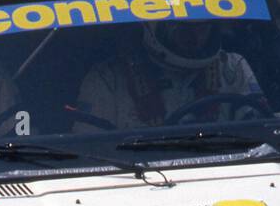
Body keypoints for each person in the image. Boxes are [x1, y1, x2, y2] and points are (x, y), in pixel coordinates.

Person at [72, 20, 264, 131]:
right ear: (154, 27)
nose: (192, 38)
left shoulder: (231, 68)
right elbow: (90, 150)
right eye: (180, 27)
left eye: (202, 28)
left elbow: (261, 129)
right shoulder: (108, 78)